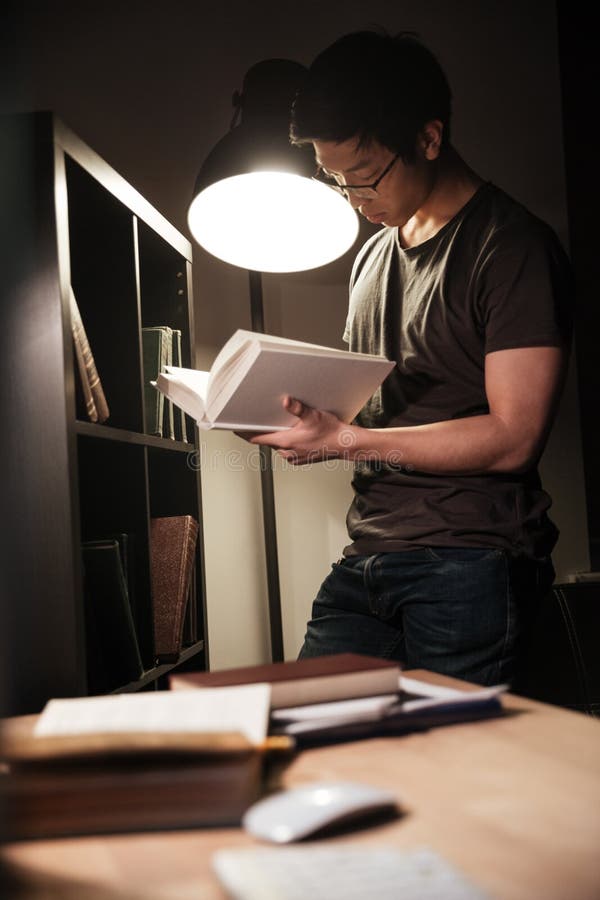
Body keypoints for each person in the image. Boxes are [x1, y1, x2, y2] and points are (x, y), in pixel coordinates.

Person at [248, 29, 573, 687]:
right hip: (367, 555)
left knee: (453, 753)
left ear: (428, 139)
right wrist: (290, 412)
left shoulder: (511, 248)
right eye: (335, 182)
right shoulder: (372, 255)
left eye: (364, 178)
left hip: (470, 561)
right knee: (309, 729)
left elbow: (514, 438)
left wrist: (345, 440)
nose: (355, 201)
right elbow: (374, 409)